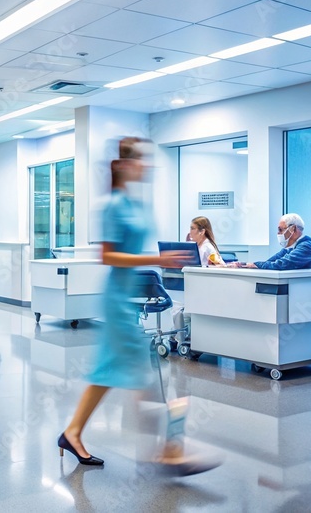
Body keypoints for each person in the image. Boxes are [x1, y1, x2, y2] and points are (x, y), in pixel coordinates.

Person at [59, 138, 219, 476]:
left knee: (107, 372)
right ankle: (166, 450)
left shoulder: (135, 203)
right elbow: (108, 256)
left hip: (127, 292)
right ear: (124, 165)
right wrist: (156, 259)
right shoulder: (113, 205)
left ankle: (73, 433)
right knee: (142, 375)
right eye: (140, 160)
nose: (146, 166)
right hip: (117, 298)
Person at [243, 213, 311, 270]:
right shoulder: (291, 248)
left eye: (280, 230)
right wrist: (245, 264)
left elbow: (282, 264)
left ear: (293, 229)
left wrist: (256, 265)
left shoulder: (306, 246)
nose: (278, 233)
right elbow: (270, 261)